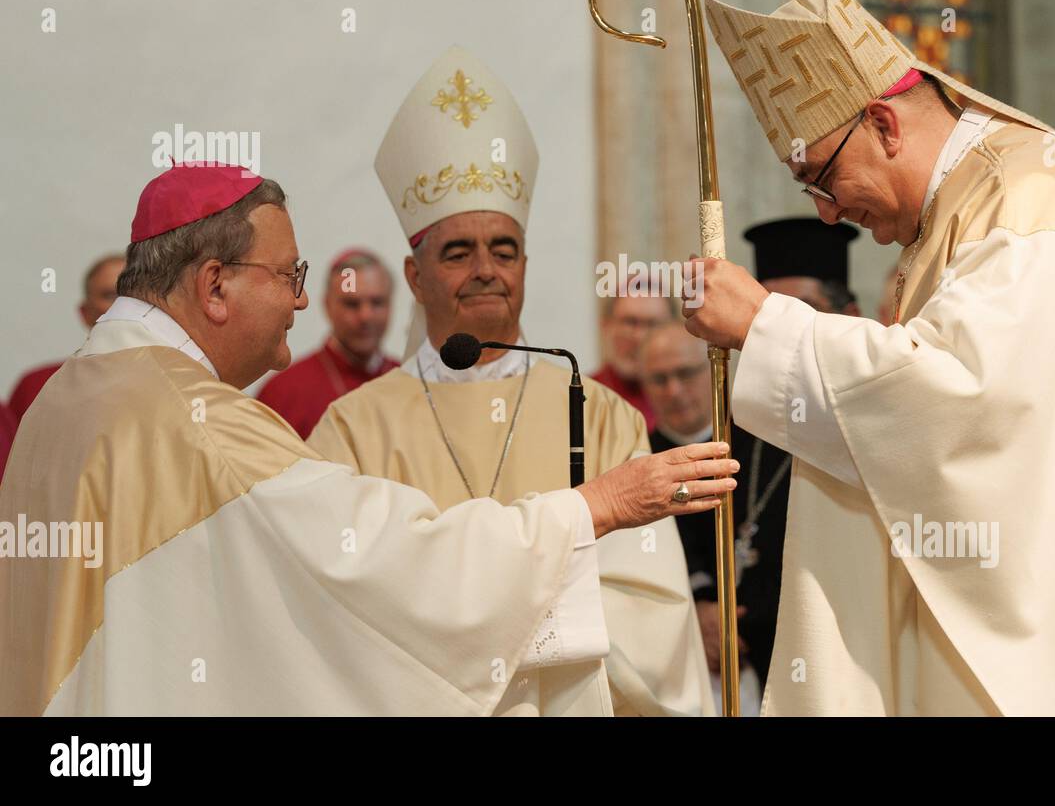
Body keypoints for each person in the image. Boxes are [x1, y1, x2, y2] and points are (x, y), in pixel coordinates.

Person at [0, 161, 736, 716]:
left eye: (504, 249)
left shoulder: (70, 397)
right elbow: (388, 565)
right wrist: (591, 509)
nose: (300, 301)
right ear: (215, 285)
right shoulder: (197, 427)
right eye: (289, 275)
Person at [686, 0, 1055, 715]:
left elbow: (966, 405)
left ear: (883, 122)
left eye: (822, 180)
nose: (829, 213)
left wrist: (765, 327)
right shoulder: (952, 219)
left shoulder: (1033, 198)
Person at [308, 46, 714, 716]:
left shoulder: (603, 415)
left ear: (524, 264)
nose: (485, 270)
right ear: (415, 277)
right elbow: (340, 598)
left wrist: (497, 618)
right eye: (458, 252)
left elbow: (652, 607)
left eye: (503, 250)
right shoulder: (353, 429)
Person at [643, 323, 784, 717]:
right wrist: (700, 609)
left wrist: (737, 623)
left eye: (685, 374)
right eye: (659, 378)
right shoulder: (637, 456)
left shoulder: (767, 448)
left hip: (763, 640)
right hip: (674, 654)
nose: (673, 390)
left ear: (715, 367)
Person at [257, 248, 399, 437]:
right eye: (352, 304)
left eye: (377, 302)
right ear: (327, 305)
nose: (366, 316)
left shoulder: (410, 381)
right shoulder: (284, 391)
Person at [8, 253, 124, 422]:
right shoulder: (37, 387)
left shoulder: (171, 380)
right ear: (85, 313)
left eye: (134, 296)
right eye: (110, 296)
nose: (124, 305)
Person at [590, 294, 673, 430]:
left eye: (653, 324)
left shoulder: (687, 396)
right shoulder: (582, 394)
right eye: (630, 322)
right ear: (606, 326)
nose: (639, 337)